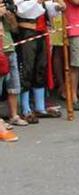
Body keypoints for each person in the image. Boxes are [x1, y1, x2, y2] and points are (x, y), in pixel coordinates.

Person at [14, 0, 64, 122]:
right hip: (27, 31)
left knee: (41, 68)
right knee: (27, 69)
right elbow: (19, 10)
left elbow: (46, 10)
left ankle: (40, 107)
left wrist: (57, 8)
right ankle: (25, 109)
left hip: (41, 31)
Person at [1, 0, 26, 137]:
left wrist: (8, 15)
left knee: (14, 84)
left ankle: (14, 115)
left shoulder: (6, 7)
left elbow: (15, 28)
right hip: (0, 50)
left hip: (10, 47)